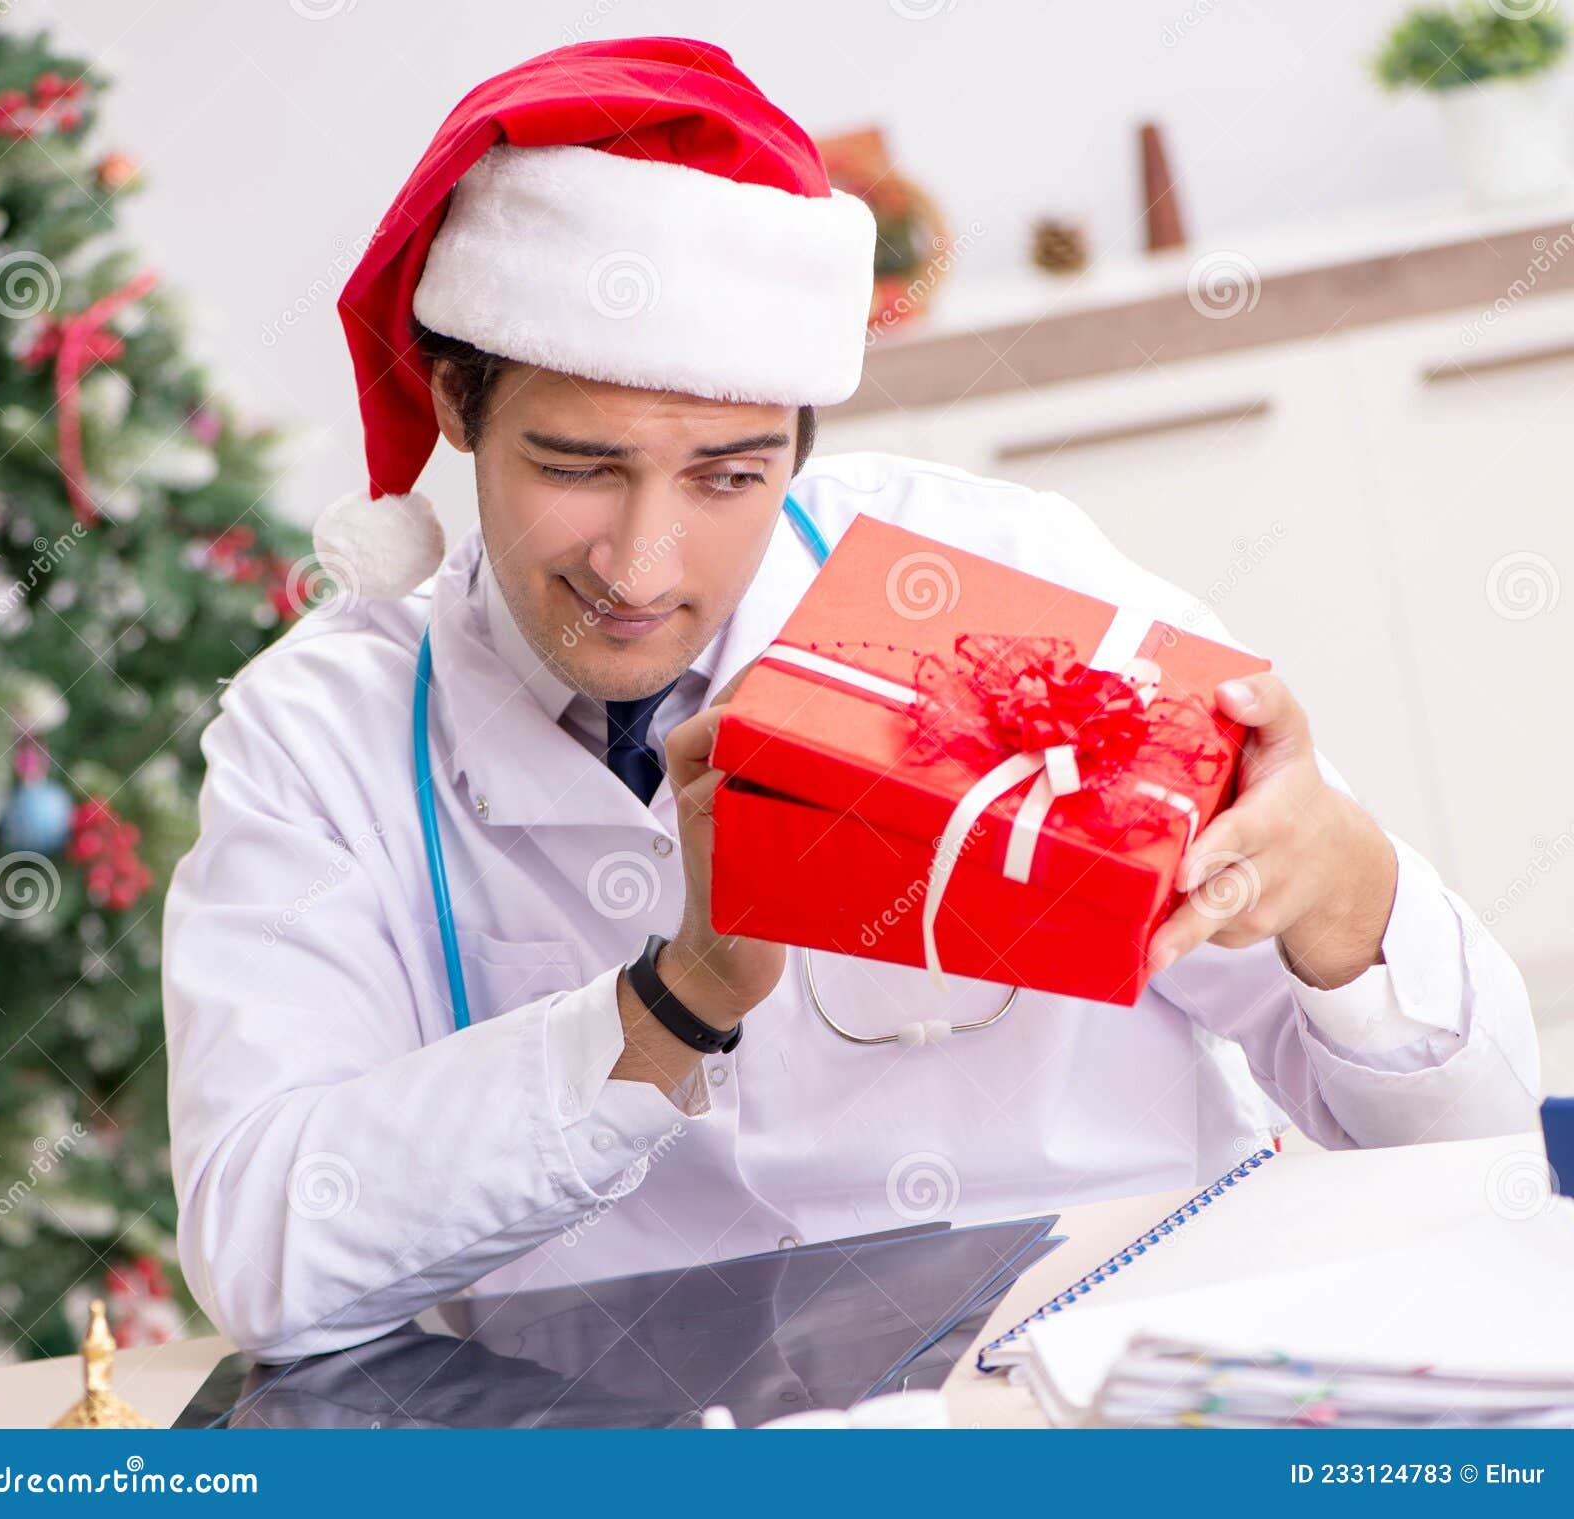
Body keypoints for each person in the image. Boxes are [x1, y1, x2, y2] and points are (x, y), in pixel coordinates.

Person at [162, 36, 1539, 1364]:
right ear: (457, 403)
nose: (640, 566)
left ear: (806, 444)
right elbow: (267, 1253)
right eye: (576, 466)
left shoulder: (1004, 584)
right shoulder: (320, 733)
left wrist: (1345, 892)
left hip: (1112, 1392)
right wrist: (674, 1003)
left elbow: (1468, 1143)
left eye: (725, 476)